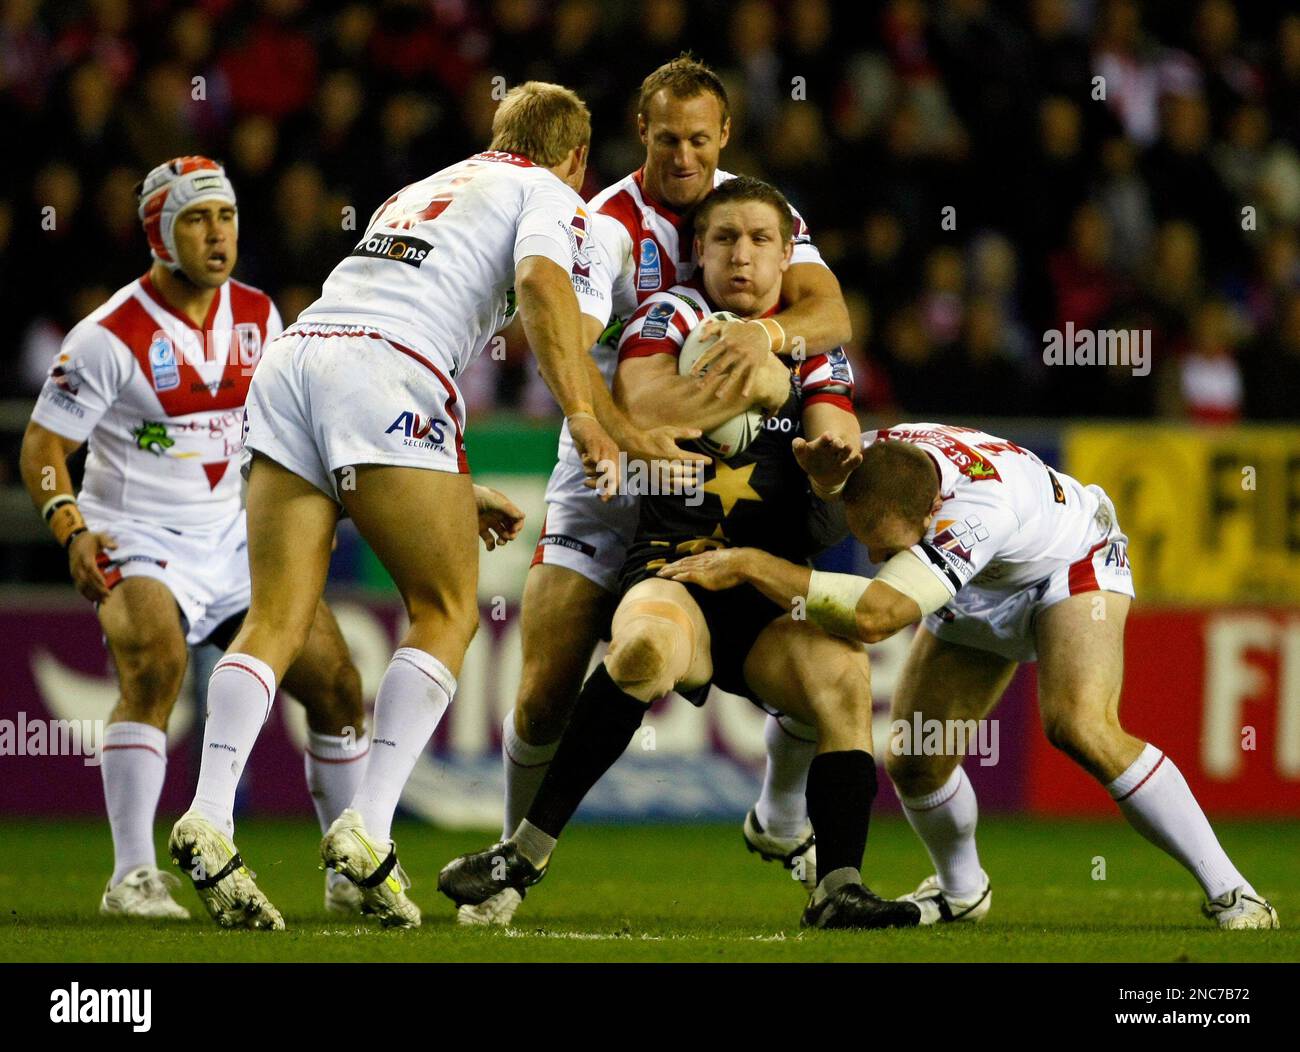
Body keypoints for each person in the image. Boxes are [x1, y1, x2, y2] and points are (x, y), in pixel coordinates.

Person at [165, 82, 688, 931]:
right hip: (387, 374)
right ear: (579, 158)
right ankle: (366, 828)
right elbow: (544, 288)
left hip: (300, 358)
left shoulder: (421, 188)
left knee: (277, 617)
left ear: (497, 132)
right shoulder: (551, 193)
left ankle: (210, 816)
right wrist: (589, 416)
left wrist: (451, 482)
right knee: (447, 608)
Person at [440, 178, 922, 930]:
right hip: (677, 571)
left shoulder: (815, 352)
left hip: (770, 595)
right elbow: (642, 408)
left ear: (787, 253)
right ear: (698, 250)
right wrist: (760, 392)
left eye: (761, 240)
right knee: (640, 649)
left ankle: (839, 888)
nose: (742, 255)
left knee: (846, 682)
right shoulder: (672, 314)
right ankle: (526, 852)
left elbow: (836, 456)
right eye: (725, 239)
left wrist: (829, 472)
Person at [655, 423, 1280, 930]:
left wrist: (750, 565)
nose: (874, 556)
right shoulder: (876, 458)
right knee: (916, 759)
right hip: (982, 583)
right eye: (868, 543)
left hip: (1070, 565)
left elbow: (876, 616)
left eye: (885, 547)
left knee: (1079, 725)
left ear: (932, 509)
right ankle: (962, 892)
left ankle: (1234, 892)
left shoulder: (980, 510)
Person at [491, 55, 854, 925]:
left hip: (723, 484)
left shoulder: (758, 211)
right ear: (640, 136)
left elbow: (831, 314)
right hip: (611, 466)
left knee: (819, 669)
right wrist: (608, 420)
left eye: (699, 139)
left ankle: (782, 814)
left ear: (724, 135)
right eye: (666, 139)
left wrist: (762, 338)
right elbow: (570, 341)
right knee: (544, 687)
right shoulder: (607, 222)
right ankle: (509, 866)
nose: (684, 156)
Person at [18, 156, 366, 922]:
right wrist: (70, 529)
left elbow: (288, 424)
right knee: (156, 662)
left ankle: (349, 867)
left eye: (228, 217)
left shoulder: (261, 316)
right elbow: (42, 447)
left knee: (338, 685)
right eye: (197, 219)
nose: (218, 233)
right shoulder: (109, 334)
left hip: (238, 538)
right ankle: (133, 878)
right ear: (158, 233)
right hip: (137, 535)